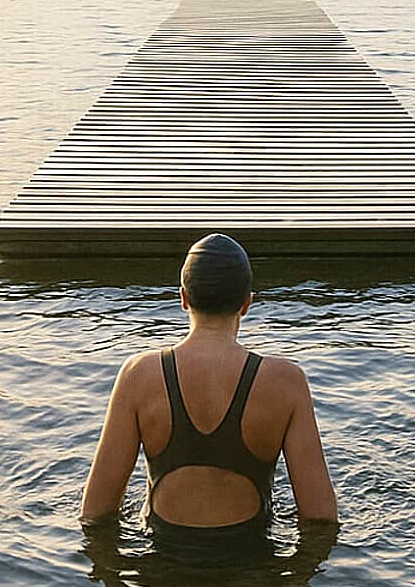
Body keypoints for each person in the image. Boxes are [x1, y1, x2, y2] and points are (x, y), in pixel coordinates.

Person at [80, 233, 337, 558]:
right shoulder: (286, 383)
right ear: (246, 303)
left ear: (184, 298)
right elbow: (320, 518)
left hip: (163, 566)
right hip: (252, 568)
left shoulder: (138, 376)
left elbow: (96, 513)